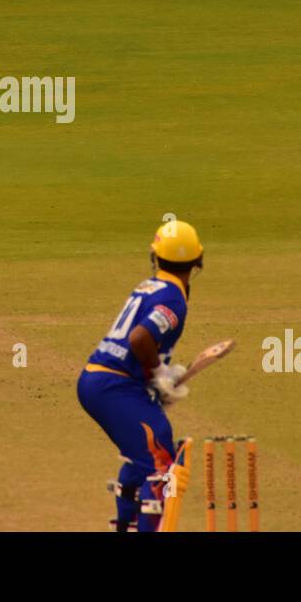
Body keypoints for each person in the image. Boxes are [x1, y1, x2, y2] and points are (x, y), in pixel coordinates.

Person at [76, 220, 206, 532]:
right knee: (162, 464)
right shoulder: (173, 297)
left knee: (143, 455)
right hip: (114, 385)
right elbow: (138, 339)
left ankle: (126, 524)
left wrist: (156, 378)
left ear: (155, 257)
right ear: (199, 261)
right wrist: (161, 373)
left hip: (102, 380)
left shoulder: (150, 285)